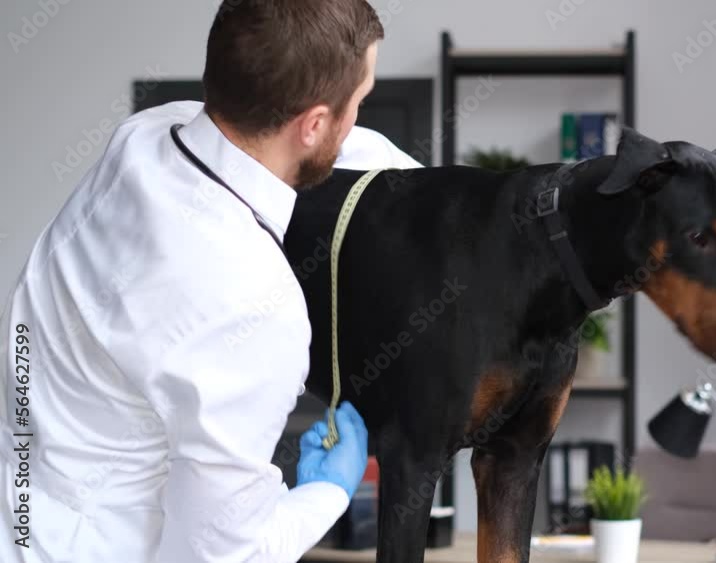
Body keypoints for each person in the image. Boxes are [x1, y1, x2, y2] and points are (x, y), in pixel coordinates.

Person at [0, 0, 420, 561]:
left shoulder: (144, 136)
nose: (356, 121)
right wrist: (327, 493)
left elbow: (341, 147)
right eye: (358, 102)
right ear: (315, 124)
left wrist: (435, 187)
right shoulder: (254, 301)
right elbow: (220, 554)